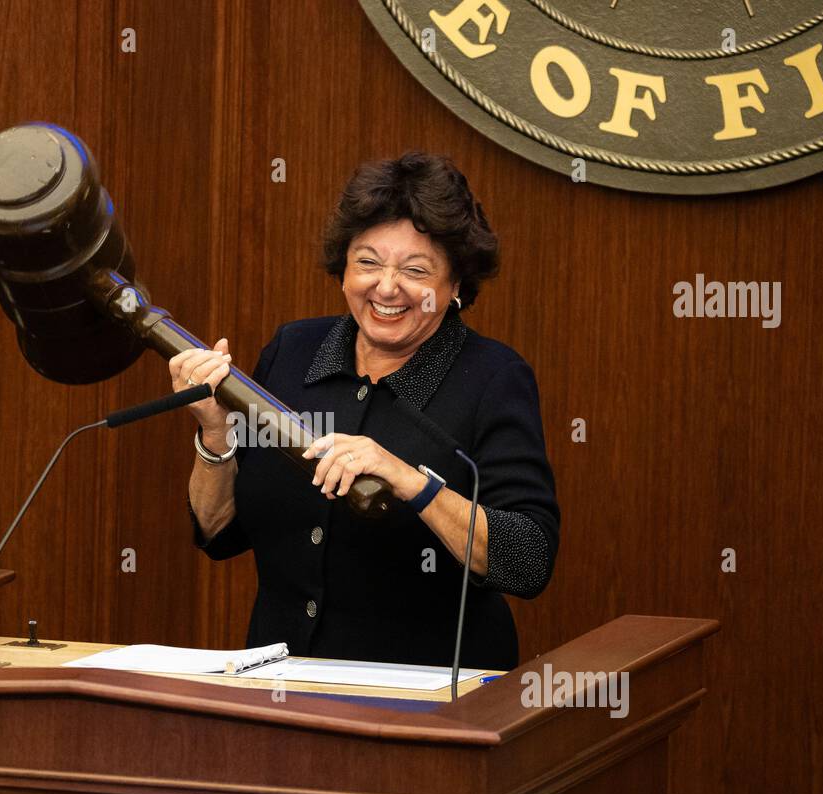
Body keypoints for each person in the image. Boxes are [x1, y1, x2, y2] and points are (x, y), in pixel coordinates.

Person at [171, 151, 558, 670]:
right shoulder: (292, 352)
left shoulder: (492, 378)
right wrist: (216, 436)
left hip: (429, 703)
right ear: (343, 268)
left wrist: (408, 480)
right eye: (368, 262)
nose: (387, 286)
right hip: (281, 694)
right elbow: (218, 532)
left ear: (456, 285)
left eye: (415, 270)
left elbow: (527, 561)